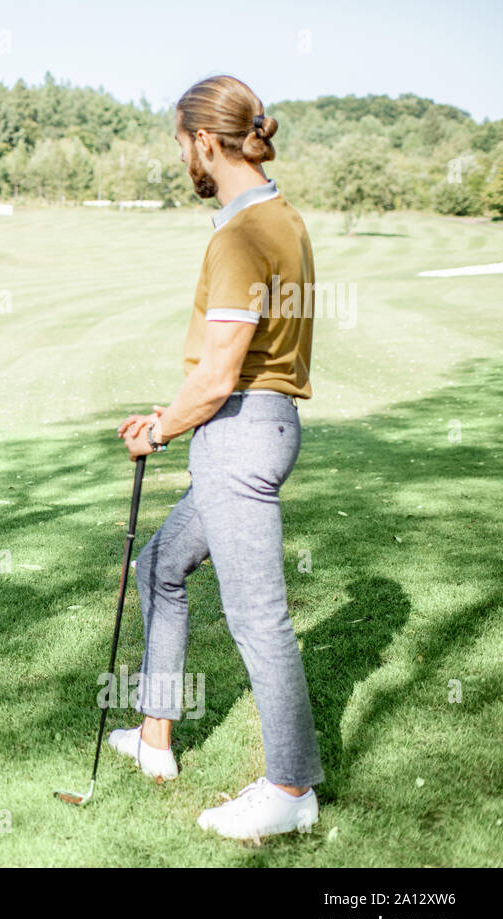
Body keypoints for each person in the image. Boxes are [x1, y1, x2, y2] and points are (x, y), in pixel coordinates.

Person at [113, 75, 323, 840]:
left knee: (259, 615)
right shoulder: (282, 217)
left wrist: (158, 429)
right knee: (161, 562)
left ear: (206, 140)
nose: (182, 159)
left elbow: (219, 372)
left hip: (238, 435)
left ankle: (291, 786)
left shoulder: (239, 234)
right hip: (258, 428)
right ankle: (155, 737)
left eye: (181, 143)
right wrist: (175, 417)